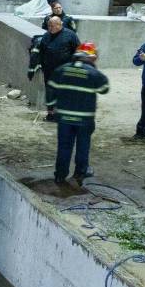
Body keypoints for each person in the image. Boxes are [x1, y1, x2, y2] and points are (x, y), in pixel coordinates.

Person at [46, 42, 110, 185]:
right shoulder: (94, 73)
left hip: (64, 117)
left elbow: (51, 88)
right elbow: (104, 88)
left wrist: (50, 107)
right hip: (84, 118)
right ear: (92, 58)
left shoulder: (62, 70)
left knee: (64, 147)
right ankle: (80, 173)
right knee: (83, 145)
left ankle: (60, 175)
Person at [28, 16, 80, 121]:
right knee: (50, 93)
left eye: (52, 26)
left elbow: (78, 51)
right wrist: (36, 65)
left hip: (65, 71)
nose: (50, 28)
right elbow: (40, 51)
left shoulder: (71, 35)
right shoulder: (47, 35)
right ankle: (51, 114)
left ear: (59, 25)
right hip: (49, 71)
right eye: (49, 26)